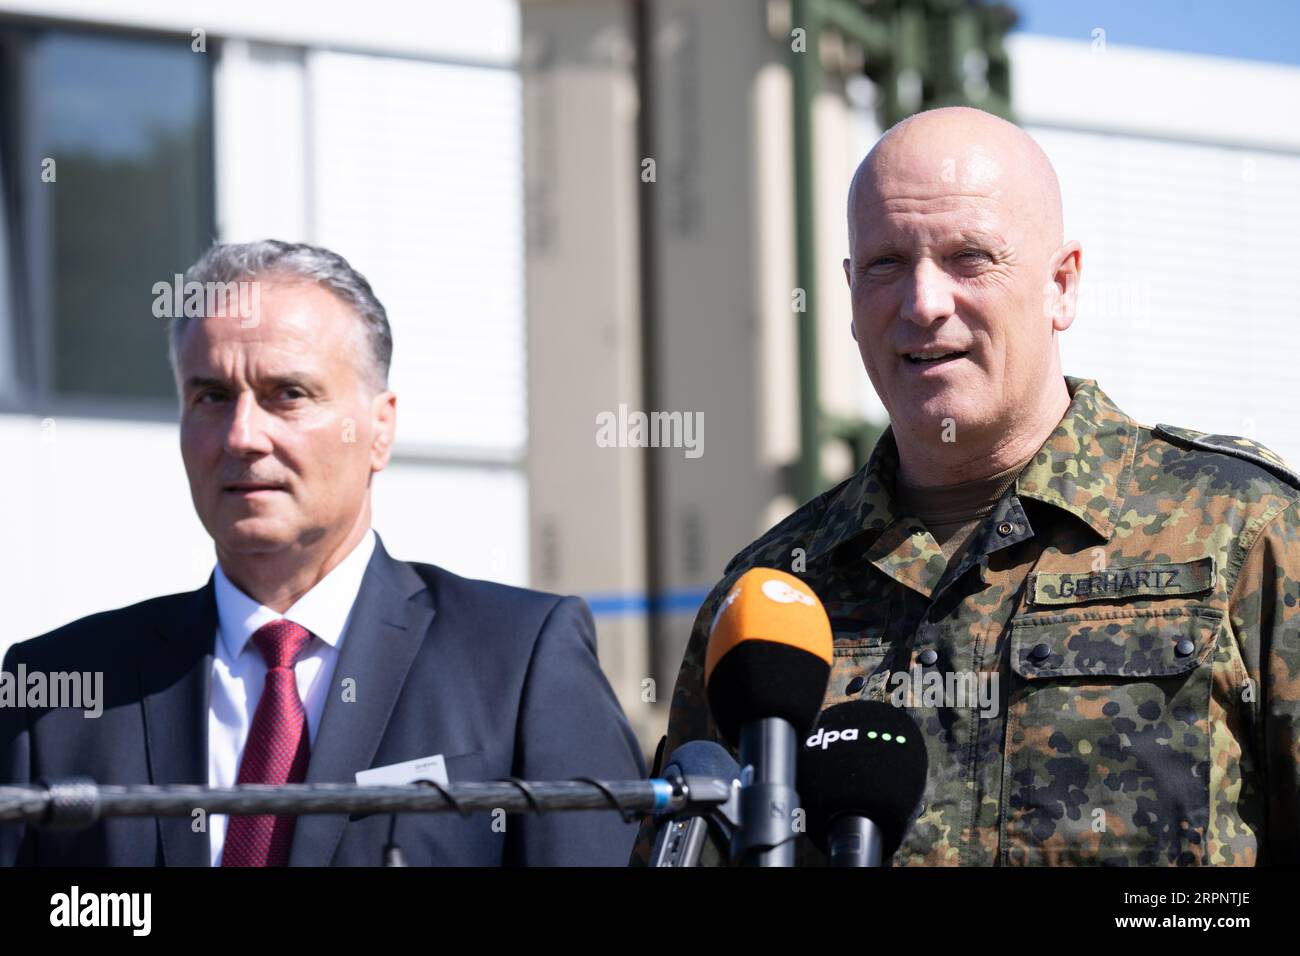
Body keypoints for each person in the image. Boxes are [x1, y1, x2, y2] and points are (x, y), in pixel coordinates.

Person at [632, 106, 1300, 866]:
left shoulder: (1241, 534)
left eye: (969, 258)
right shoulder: (772, 596)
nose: (923, 303)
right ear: (850, 294)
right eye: (886, 264)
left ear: (1061, 284)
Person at [1, 240, 645, 867]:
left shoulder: (519, 660)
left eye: (289, 394)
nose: (243, 436)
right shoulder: (60, 693)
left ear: (379, 429)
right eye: (211, 397)